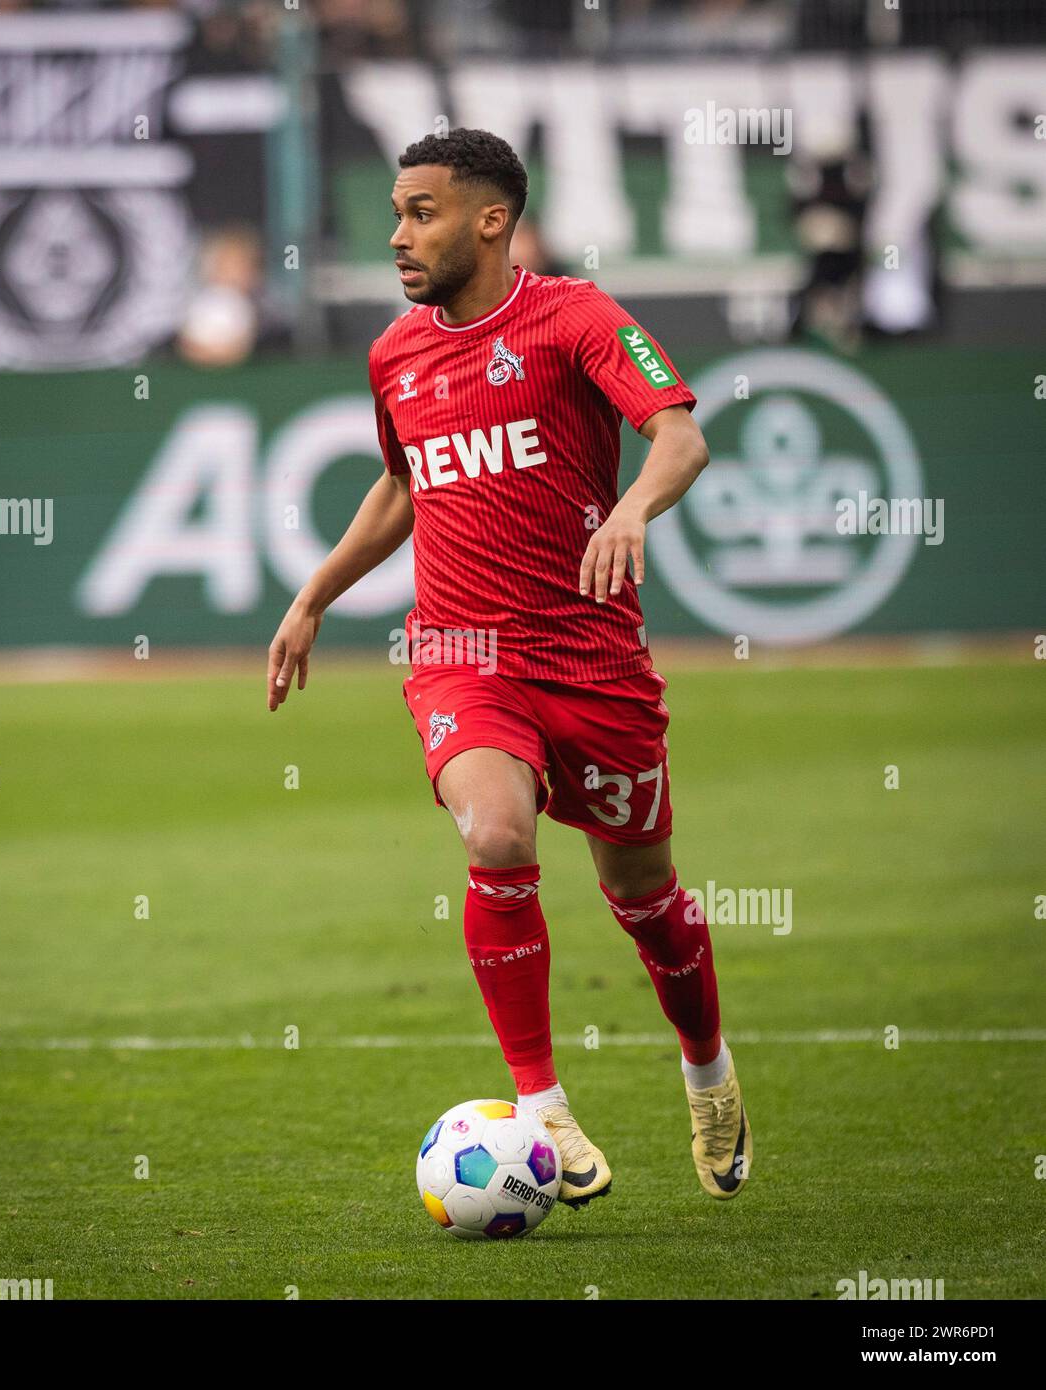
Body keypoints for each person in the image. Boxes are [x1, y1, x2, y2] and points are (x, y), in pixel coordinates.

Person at [267, 128, 751, 1208]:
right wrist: (312, 595)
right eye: (394, 213)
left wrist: (629, 506)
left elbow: (678, 437)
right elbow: (401, 487)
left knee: (643, 895)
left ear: (490, 219)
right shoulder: (395, 353)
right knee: (493, 831)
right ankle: (539, 1104)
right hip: (460, 657)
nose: (397, 235)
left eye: (421, 212)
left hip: (592, 663)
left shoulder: (574, 316)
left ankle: (707, 1069)